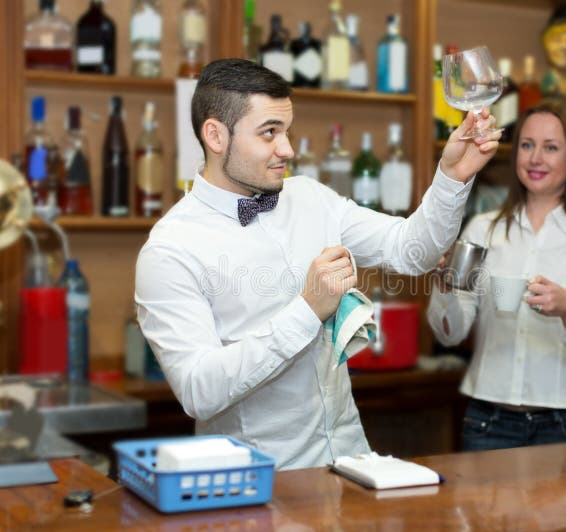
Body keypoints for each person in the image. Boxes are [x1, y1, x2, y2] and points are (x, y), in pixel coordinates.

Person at [134, 58, 500, 469]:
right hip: (260, 482)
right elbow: (198, 390)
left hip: (352, 464)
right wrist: (308, 310)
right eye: (269, 133)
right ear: (216, 136)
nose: (288, 149)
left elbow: (412, 252)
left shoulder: (310, 197)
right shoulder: (170, 250)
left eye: (286, 131)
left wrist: (451, 176)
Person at [427, 100, 566, 451]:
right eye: (527, 145)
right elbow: (450, 335)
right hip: (489, 423)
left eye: (551, 148)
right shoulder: (481, 229)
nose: (535, 158)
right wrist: (444, 287)